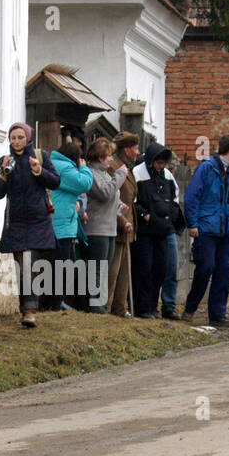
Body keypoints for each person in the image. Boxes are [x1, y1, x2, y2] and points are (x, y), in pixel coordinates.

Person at [0, 122, 60, 328]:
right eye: (13, 138)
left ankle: (30, 311)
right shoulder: (5, 161)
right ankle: (27, 310)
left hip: (38, 221)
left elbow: (55, 181)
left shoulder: (40, 156)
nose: (16, 141)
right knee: (22, 268)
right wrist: (3, 175)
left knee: (30, 265)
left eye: (20, 137)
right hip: (16, 223)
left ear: (28, 138)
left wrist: (39, 171)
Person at [182, 134, 229, 327]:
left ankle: (218, 314)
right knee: (205, 268)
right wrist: (192, 224)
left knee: (224, 271)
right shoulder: (207, 168)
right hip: (207, 228)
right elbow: (193, 195)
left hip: (225, 230)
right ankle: (190, 307)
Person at [132, 142, 183, 318]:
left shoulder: (167, 176)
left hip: (163, 230)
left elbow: (175, 198)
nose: (161, 166)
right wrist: (145, 216)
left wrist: (171, 217)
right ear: (151, 160)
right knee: (144, 269)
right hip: (145, 231)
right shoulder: (137, 173)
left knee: (161, 269)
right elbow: (132, 200)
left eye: (163, 163)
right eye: (158, 163)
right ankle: (143, 308)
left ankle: (153, 307)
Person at [83, 137, 127, 313]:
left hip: (109, 229)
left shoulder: (105, 174)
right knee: (96, 270)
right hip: (96, 230)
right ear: (100, 157)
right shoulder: (91, 173)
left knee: (104, 270)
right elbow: (105, 193)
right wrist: (120, 174)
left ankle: (100, 304)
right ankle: (94, 306)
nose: (111, 159)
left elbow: (110, 199)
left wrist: (119, 207)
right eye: (109, 155)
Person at [48, 133, 92, 311]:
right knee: (62, 265)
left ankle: (58, 301)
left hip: (63, 219)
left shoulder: (57, 164)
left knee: (63, 264)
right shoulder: (65, 169)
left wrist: (79, 203)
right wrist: (84, 168)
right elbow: (85, 184)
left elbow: (69, 193)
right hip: (62, 223)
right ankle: (56, 303)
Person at [106, 133, 139, 316]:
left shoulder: (127, 168)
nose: (137, 152)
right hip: (117, 224)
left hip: (128, 227)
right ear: (127, 149)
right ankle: (108, 305)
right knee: (113, 271)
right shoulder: (114, 168)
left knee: (124, 272)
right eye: (135, 148)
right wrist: (122, 221)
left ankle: (120, 307)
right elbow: (112, 198)